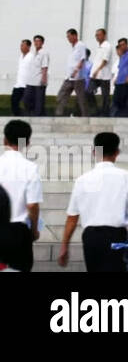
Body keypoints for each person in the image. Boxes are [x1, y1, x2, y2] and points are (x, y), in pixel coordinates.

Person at [57, 132, 128, 272]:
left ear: (95, 152)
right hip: (118, 235)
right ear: (117, 152)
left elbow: (72, 218)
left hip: (91, 237)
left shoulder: (82, 180)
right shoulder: (127, 177)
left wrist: (64, 245)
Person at [0, 120, 41, 272]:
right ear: (27, 143)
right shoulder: (30, 168)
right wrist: (34, 231)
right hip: (18, 232)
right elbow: (32, 205)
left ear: (4, 140)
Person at [56, 28, 92, 117]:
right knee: (62, 95)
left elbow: (82, 59)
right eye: (67, 37)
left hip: (78, 77)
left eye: (69, 36)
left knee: (81, 98)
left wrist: (76, 70)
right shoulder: (73, 47)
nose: (68, 38)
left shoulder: (81, 45)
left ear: (75, 35)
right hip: (69, 77)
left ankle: (85, 115)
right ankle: (59, 114)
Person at [89, 29, 113, 116]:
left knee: (105, 96)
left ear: (104, 35)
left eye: (99, 35)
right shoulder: (99, 46)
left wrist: (97, 70)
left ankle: (105, 113)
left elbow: (105, 61)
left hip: (104, 75)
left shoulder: (107, 46)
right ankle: (95, 110)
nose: (97, 37)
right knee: (89, 91)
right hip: (95, 75)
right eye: (96, 35)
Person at [25, 34, 49, 116]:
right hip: (30, 81)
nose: (36, 43)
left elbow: (45, 67)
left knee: (39, 101)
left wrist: (44, 79)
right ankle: (32, 113)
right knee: (27, 99)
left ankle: (38, 116)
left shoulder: (44, 53)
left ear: (42, 43)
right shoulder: (33, 53)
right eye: (35, 41)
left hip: (39, 81)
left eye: (38, 41)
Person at [110, 38, 128, 117]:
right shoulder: (122, 56)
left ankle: (125, 114)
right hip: (119, 81)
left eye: (123, 45)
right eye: (120, 45)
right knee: (117, 99)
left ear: (127, 44)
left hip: (126, 81)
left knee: (125, 99)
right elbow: (120, 68)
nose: (122, 47)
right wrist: (117, 78)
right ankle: (118, 114)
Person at [12, 39, 33, 117]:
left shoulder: (31, 57)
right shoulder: (21, 56)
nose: (21, 47)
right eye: (21, 45)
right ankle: (18, 116)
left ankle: (28, 116)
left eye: (23, 45)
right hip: (18, 84)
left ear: (28, 46)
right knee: (14, 101)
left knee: (27, 103)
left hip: (27, 85)